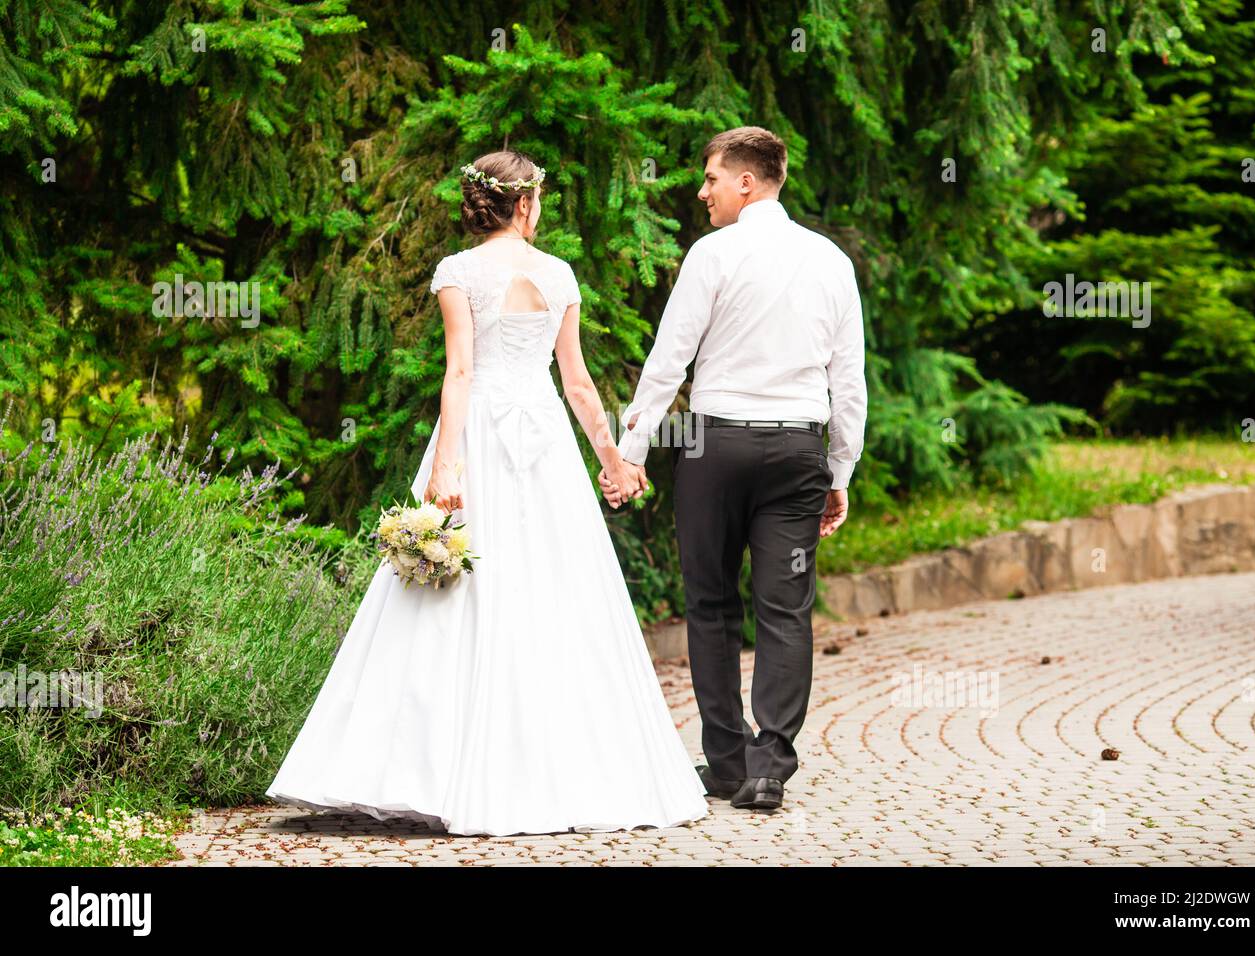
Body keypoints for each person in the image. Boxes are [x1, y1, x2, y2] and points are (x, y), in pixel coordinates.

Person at [265, 150, 709, 836]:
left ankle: (424, 768)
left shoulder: (460, 272)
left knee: (460, 596)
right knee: (553, 588)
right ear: (525, 203)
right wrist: (614, 460)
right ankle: (565, 770)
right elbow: (578, 384)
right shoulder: (558, 274)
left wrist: (446, 469)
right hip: (546, 444)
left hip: (482, 441)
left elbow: (463, 374)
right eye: (541, 200)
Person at [600, 126, 868, 813]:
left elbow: (669, 361)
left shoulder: (712, 255)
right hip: (797, 454)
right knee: (785, 609)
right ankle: (769, 765)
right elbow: (850, 379)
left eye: (712, 178)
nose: (703, 191)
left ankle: (725, 761)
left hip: (714, 451)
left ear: (747, 182)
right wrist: (839, 471)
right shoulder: (830, 259)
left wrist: (630, 454)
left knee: (712, 604)